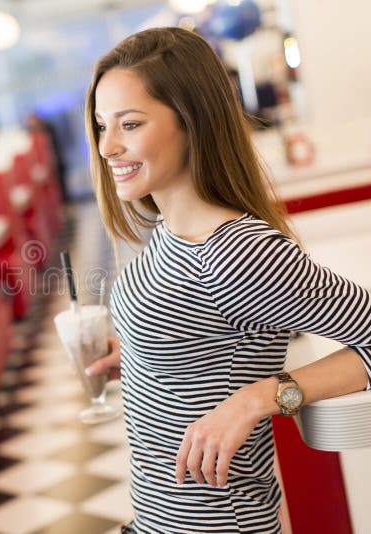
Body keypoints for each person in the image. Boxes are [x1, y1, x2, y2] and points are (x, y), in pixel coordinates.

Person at [81, 27, 371, 533]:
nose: (108, 146)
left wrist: (261, 396)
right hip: (159, 520)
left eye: (130, 124)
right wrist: (137, 353)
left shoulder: (236, 252)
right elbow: (205, 336)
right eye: (102, 125)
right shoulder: (170, 230)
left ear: (191, 122)